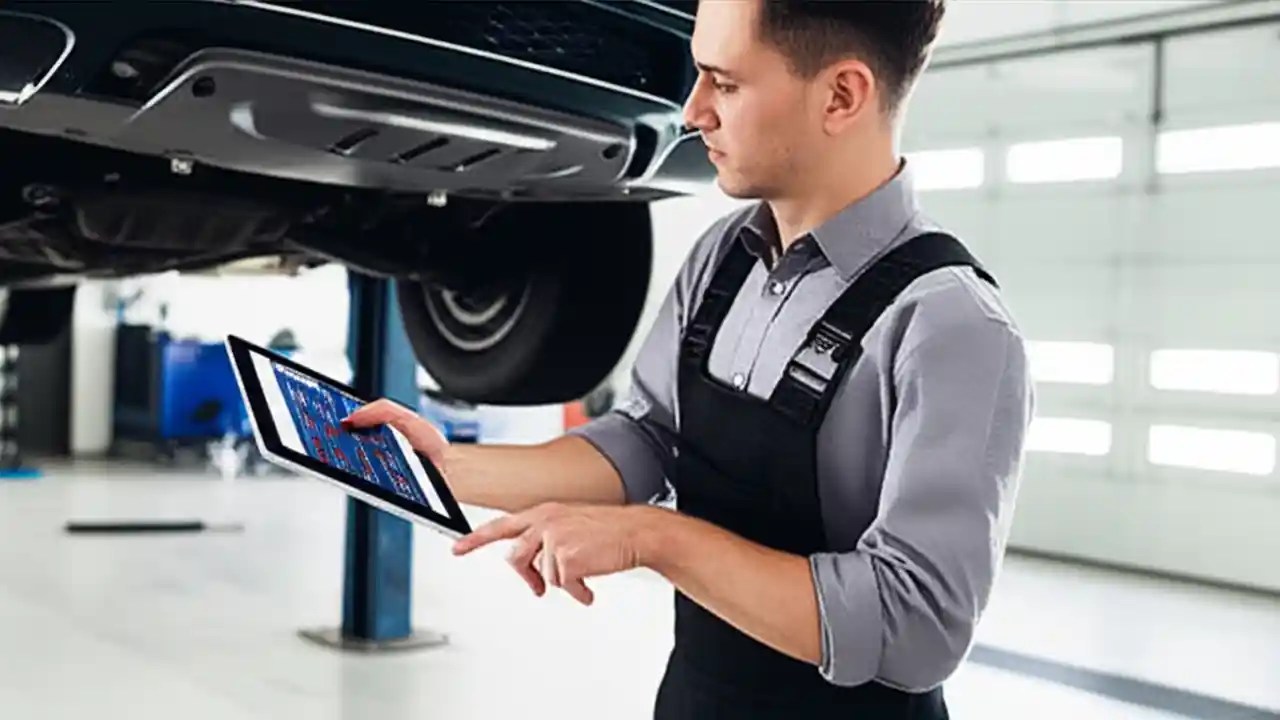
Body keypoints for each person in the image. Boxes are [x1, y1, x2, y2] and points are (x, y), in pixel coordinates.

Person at [344, 1, 1034, 717]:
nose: (693, 110)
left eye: (724, 83)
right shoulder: (724, 258)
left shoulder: (951, 325)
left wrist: (654, 537)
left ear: (842, 95)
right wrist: (441, 469)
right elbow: (648, 439)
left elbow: (915, 630)